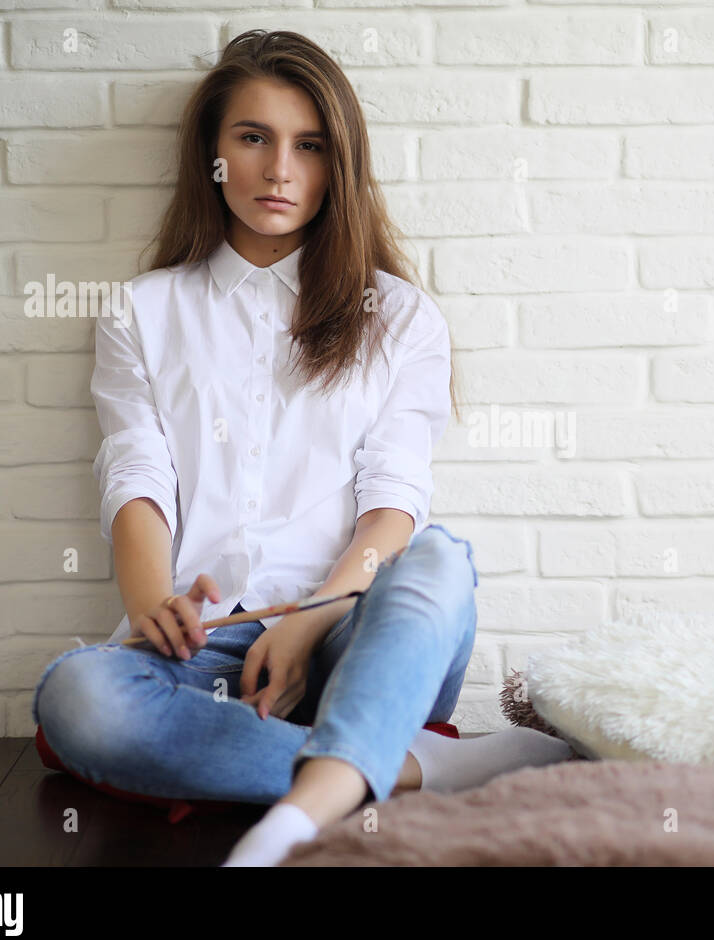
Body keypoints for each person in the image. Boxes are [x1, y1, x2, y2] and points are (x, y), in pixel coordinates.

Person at [31, 29, 572, 868]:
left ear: (337, 165)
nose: (280, 169)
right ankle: (426, 767)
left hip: (354, 636)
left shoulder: (398, 317)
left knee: (437, 561)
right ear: (211, 154)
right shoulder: (143, 312)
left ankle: (295, 810)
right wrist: (151, 605)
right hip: (205, 648)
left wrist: (316, 612)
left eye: (309, 145)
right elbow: (136, 474)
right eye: (253, 138)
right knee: (79, 696)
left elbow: (393, 501)